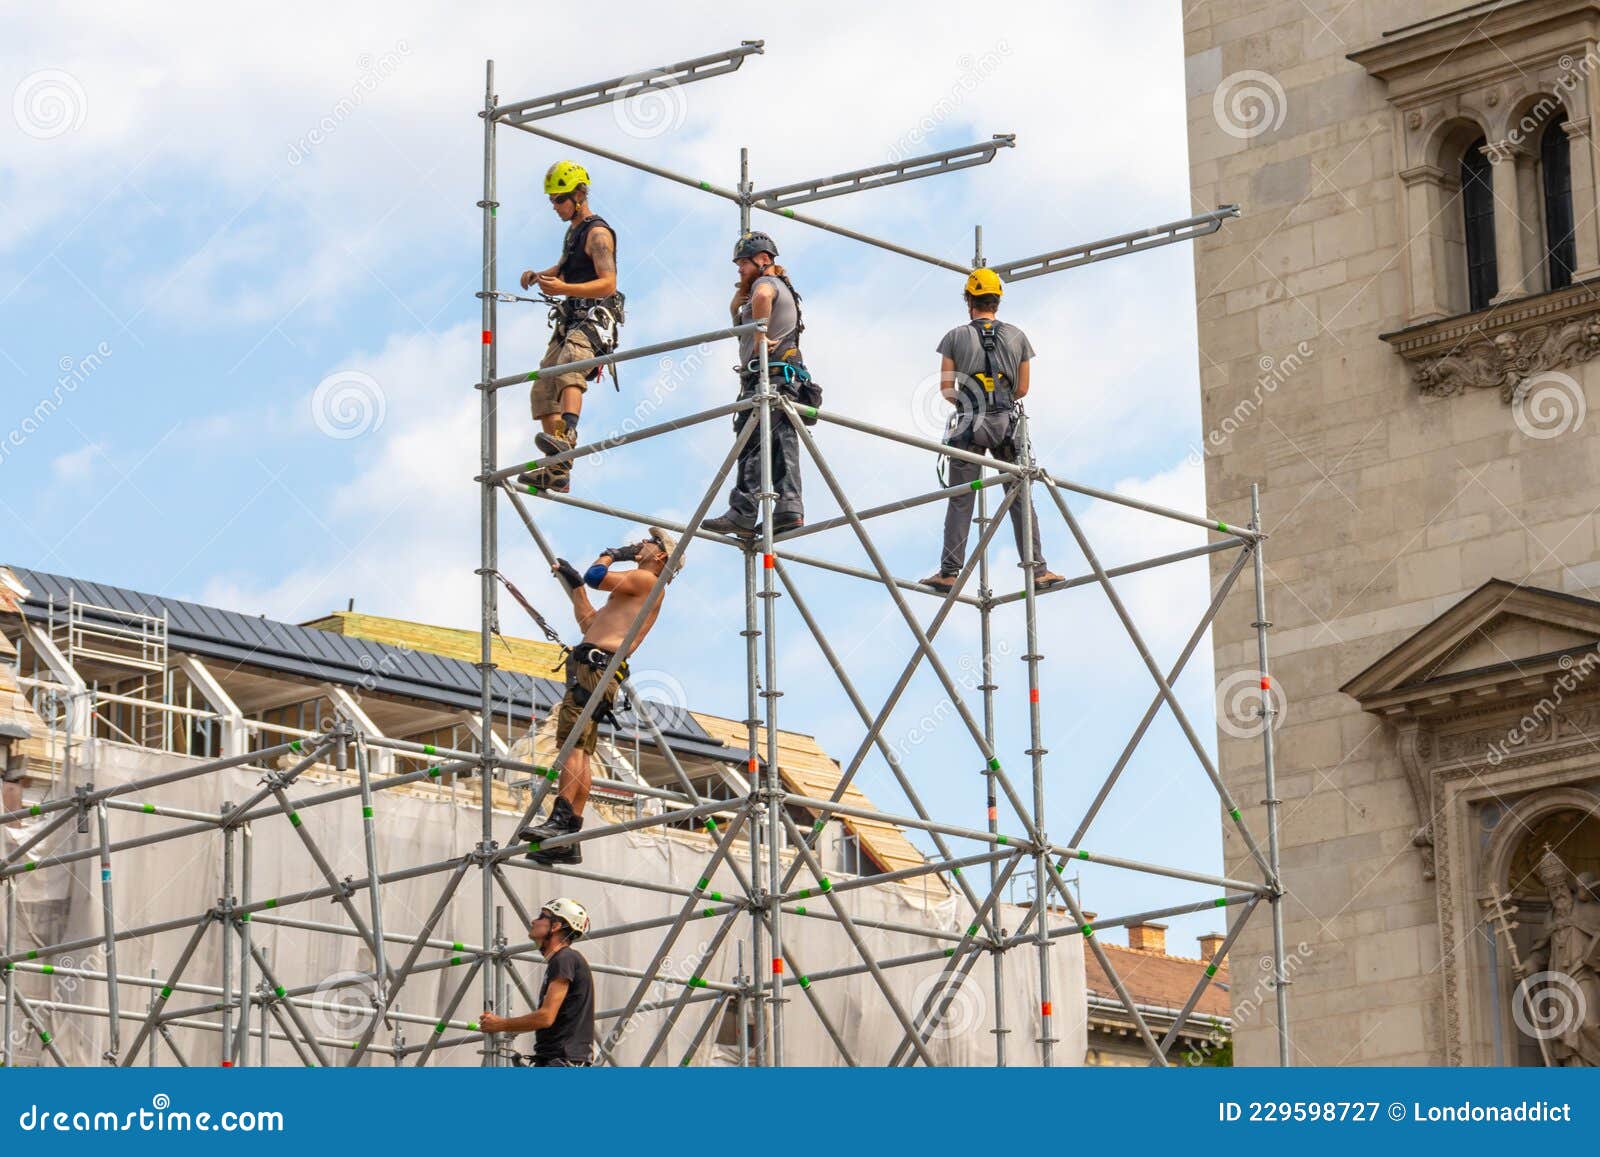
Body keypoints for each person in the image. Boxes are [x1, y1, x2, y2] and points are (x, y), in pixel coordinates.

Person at [518, 528, 680, 865]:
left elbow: (597, 576)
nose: (643, 544)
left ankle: (561, 822)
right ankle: (571, 832)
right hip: (594, 663)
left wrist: (611, 553)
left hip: (596, 668)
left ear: (661, 556)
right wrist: (575, 586)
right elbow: (590, 623)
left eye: (651, 543)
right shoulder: (638, 589)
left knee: (571, 744)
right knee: (581, 749)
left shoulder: (646, 581)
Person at [922, 268, 1065, 593]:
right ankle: (1037, 569)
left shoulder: (955, 337)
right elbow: (1023, 388)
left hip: (970, 423)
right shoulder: (1018, 337)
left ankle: (949, 573)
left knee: (961, 498)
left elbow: (947, 389)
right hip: (1006, 424)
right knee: (1018, 497)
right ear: (997, 300)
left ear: (969, 300)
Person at [517, 160, 623, 495]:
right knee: (543, 387)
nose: (555, 206)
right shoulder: (574, 233)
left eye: (560, 199)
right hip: (571, 317)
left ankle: (567, 436)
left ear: (578, 195)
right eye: (552, 200)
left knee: (569, 368)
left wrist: (562, 289)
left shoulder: (598, 235)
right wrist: (541, 276)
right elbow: (566, 269)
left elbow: (607, 283)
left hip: (594, 318)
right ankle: (557, 469)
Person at [703, 231, 812, 538]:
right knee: (778, 441)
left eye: (743, 263)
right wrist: (739, 302)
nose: (739, 269)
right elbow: (748, 310)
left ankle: (744, 512)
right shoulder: (774, 286)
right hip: (777, 376)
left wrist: (761, 334)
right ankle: (788, 508)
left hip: (771, 376)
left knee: (753, 441)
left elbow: (763, 297)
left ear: (763, 260)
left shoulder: (768, 284)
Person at [480, 898, 595, 1067]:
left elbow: (545, 1017)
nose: (534, 921)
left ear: (555, 927)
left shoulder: (565, 958)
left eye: (542, 916)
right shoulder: (563, 960)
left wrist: (501, 1024)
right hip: (557, 1060)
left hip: (563, 1061)